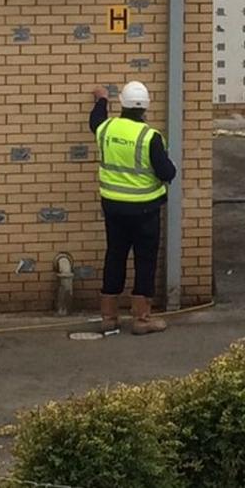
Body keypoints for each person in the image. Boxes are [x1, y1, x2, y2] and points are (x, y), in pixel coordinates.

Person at [89, 81, 177, 335]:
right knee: (145, 260)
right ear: (146, 108)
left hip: (113, 208)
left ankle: (108, 317)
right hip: (145, 210)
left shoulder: (106, 129)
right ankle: (141, 319)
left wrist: (102, 99)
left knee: (115, 256)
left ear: (123, 105)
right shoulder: (149, 137)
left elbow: (95, 120)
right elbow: (166, 172)